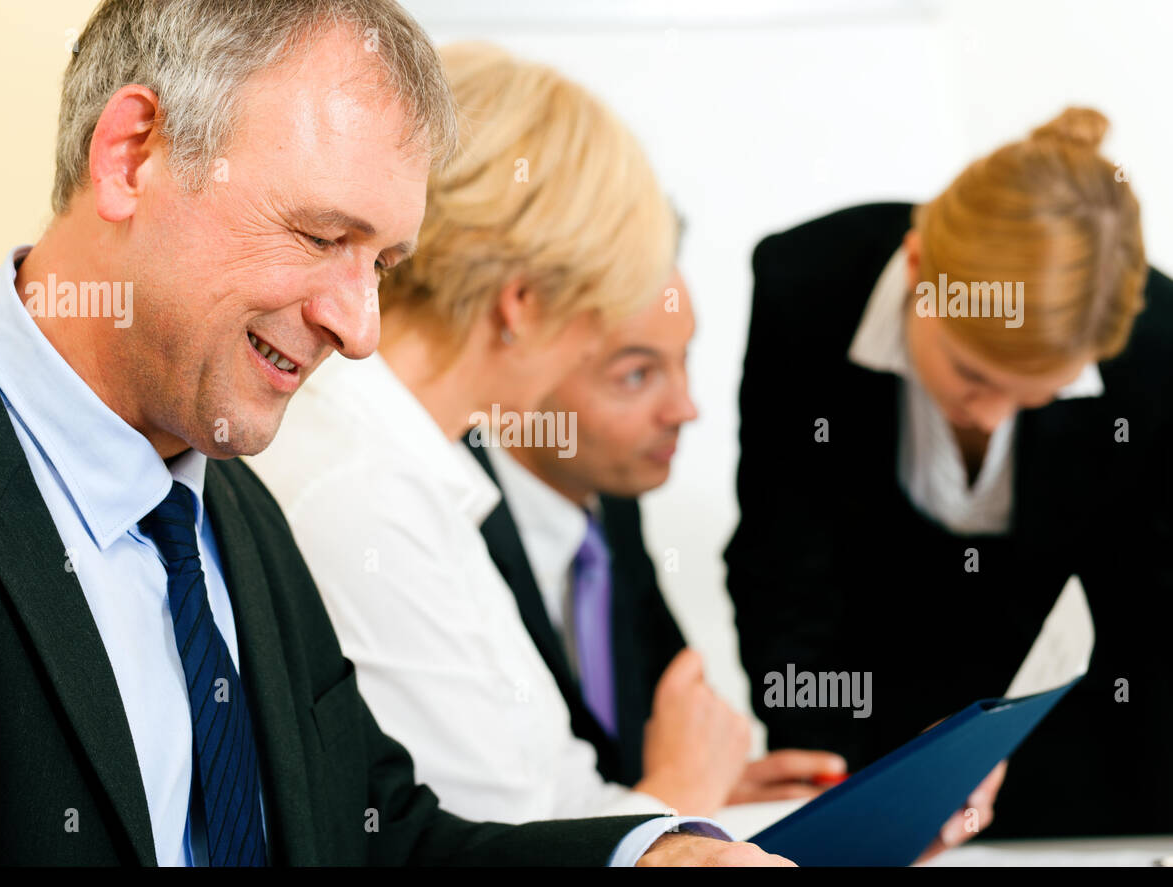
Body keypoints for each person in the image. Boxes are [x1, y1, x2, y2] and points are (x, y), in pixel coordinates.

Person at [0, 0, 787, 867]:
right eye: (319, 237)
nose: (362, 330)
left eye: (383, 263)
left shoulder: (233, 509)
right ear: (130, 156)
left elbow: (381, 840)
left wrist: (644, 855)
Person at [250, 43, 764, 824]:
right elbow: (500, 847)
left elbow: (560, 793)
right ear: (522, 304)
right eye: (601, 314)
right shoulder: (361, 491)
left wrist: (703, 814)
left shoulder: (426, 472)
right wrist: (685, 798)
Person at [725, 107, 1173, 838]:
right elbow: (783, 563)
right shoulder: (804, 285)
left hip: (1094, 747)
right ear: (916, 268)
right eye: (971, 373)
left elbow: (1151, 607)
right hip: (864, 709)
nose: (992, 417)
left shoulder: (1156, 346)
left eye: (1035, 394)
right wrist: (838, 781)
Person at [468, 266, 848, 804]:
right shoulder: (443, 517)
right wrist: (671, 802)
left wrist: (711, 785)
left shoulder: (609, 494)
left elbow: (642, 740)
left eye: (683, 360)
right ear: (519, 358)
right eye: (636, 375)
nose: (685, 409)